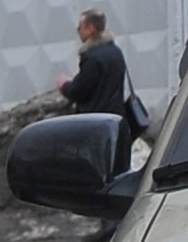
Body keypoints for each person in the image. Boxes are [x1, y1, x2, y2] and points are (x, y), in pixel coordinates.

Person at [62, 8, 146, 155]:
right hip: (117, 120)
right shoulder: (115, 51)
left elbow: (79, 91)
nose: (78, 31)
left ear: (91, 29)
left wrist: (64, 85)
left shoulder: (92, 57)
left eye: (80, 28)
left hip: (95, 123)